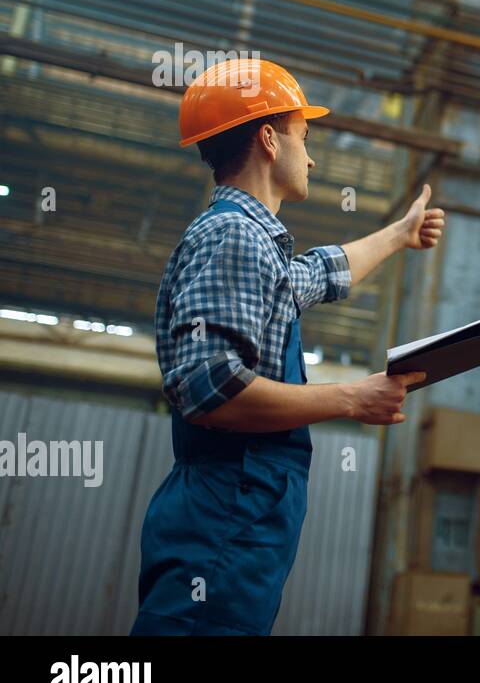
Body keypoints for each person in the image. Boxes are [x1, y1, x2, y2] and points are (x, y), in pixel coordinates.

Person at [131, 57, 444, 635]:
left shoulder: (248, 241)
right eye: (305, 136)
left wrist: (399, 236)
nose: (313, 155)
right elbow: (213, 390)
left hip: (235, 502)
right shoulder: (234, 237)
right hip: (231, 501)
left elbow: (319, 274)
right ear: (270, 140)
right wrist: (353, 399)